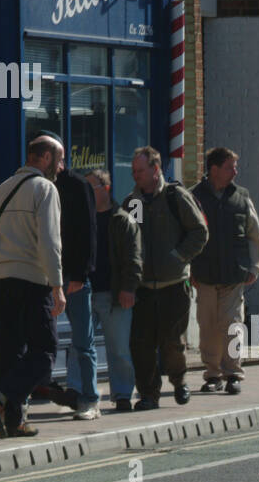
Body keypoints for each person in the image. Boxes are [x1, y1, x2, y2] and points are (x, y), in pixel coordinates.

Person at [0, 135, 66, 437]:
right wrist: (57, 286)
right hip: (32, 282)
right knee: (45, 351)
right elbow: (50, 242)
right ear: (44, 158)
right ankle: (0, 395)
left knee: (11, 350)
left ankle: (13, 422)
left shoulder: (0, 190)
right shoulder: (45, 189)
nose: (62, 167)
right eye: (59, 159)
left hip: (0, 282)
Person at [122, 146, 208, 410]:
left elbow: (199, 232)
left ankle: (179, 381)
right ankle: (149, 395)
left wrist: (177, 256)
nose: (135, 175)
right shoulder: (133, 202)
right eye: (133, 171)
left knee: (172, 341)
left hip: (174, 285)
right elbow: (131, 240)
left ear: (155, 169)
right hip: (144, 287)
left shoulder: (175, 197)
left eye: (140, 170)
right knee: (142, 344)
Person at [32, 130, 98, 419]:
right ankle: (41, 390)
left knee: (82, 341)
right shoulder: (35, 186)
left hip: (72, 278)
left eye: (56, 159)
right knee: (40, 340)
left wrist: (80, 274)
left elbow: (88, 232)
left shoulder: (77, 185)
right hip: (41, 277)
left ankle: (89, 399)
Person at [190, 147, 259, 396]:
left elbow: (254, 234)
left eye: (235, 166)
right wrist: (187, 269)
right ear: (214, 169)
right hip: (205, 275)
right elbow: (186, 236)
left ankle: (233, 373)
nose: (235, 171)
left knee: (231, 324)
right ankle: (212, 374)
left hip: (234, 275)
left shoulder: (242, 197)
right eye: (230, 166)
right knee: (208, 326)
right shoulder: (194, 197)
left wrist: (255, 265)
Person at [85, 169, 142, 412]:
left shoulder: (123, 219)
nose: (87, 194)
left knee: (119, 348)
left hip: (114, 294)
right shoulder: (82, 219)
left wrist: (129, 288)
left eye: (92, 188)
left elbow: (134, 258)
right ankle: (82, 394)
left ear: (106, 189)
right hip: (84, 292)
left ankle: (121, 394)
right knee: (82, 348)